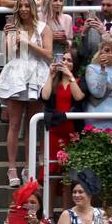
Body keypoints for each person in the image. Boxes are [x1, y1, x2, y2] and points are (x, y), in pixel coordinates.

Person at [0, 0, 52, 186]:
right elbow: (7, 55)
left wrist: (27, 42)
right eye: (21, 6)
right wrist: (8, 37)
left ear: (33, 8)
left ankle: (29, 167)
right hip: (16, 75)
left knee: (32, 125)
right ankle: (11, 168)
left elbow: (48, 54)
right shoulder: (12, 27)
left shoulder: (44, 28)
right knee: (14, 124)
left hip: (36, 76)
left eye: (27, 5)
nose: (24, 9)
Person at [40, 51, 83, 202]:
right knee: (51, 174)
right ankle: (49, 214)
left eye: (69, 60)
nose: (65, 62)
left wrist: (69, 76)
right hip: (55, 132)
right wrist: (50, 75)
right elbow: (44, 97)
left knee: (68, 175)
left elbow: (79, 97)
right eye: (63, 59)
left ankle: (66, 212)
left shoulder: (77, 81)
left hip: (72, 132)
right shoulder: (54, 81)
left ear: (74, 64)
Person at [43, 170, 109, 224]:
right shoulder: (67, 215)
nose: (76, 195)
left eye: (80, 192)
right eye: (74, 192)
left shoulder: (100, 213)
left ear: (90, 194)